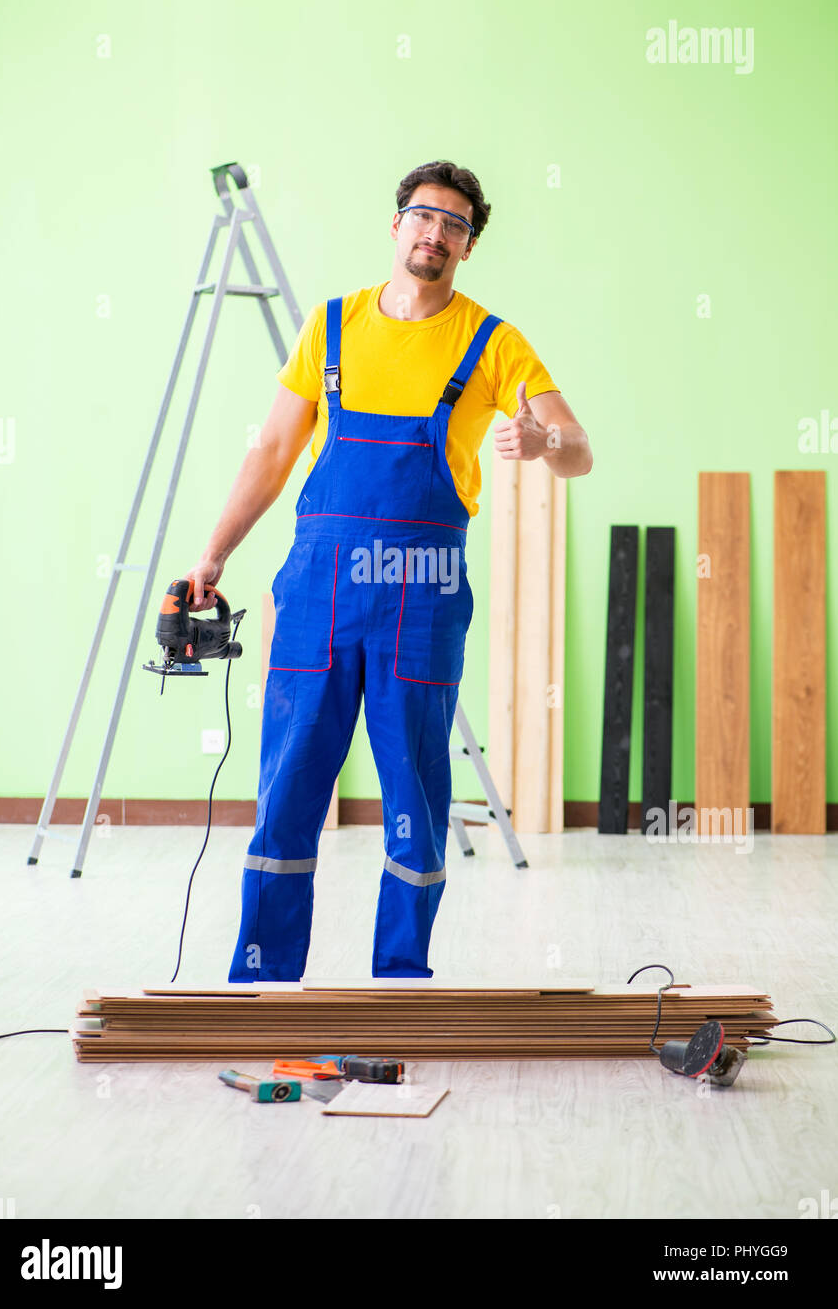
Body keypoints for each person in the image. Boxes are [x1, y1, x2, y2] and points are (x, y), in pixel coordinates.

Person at [186, 159, 593, 982]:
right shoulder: (331, 327)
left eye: (454, 225)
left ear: (468, 246)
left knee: (414, 794)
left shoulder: (492, 342)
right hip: (317, 592)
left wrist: (541, 442)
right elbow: (270, 449)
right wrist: (214, 553)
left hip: (423, 595)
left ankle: (399, 984)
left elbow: (578, 451)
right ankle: (263, 984)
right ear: (396, 222)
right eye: (423, 215)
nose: (435, 233)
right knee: (289, 785)